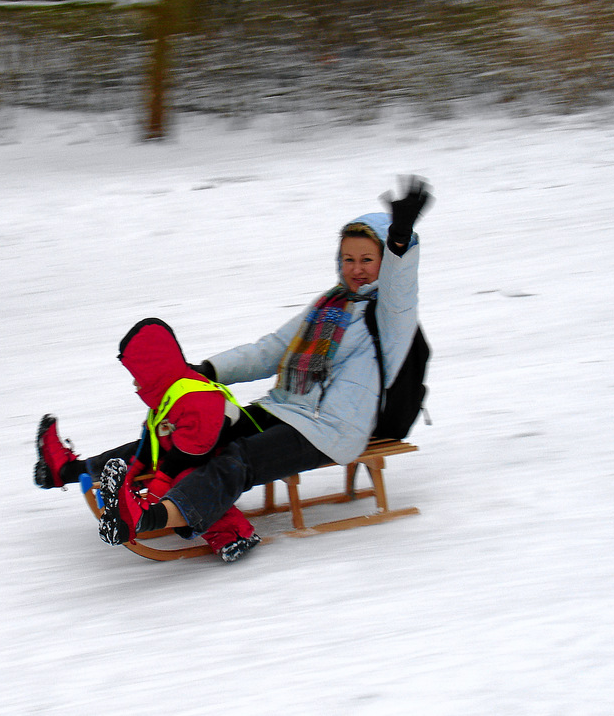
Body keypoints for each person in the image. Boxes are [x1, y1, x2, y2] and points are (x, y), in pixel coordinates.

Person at [37, 176, 432, 557]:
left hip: (330, 428)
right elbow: (272, 350)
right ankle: (70, 470)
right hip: (283, 408)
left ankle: (148, 516)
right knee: (191, 431)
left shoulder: (390, 316)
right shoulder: (329, 305)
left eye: (367, 259)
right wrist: (209, 369)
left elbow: (402, 286)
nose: (356, 268)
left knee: (236, 459)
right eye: (348, 258)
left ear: (385, 261)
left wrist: (399, 238)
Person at [36, 318, 263, 562]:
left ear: (154, 371)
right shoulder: (168, 395)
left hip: (228, 456)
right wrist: (130, 475)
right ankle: (65, 470)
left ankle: (234, 534)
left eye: (138, 375)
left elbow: (186, 457)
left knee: (188, 478)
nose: (134, 382)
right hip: (189, 450)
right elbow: (149, 444)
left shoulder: (197, 399)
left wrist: (155, 494)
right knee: (134, 453)